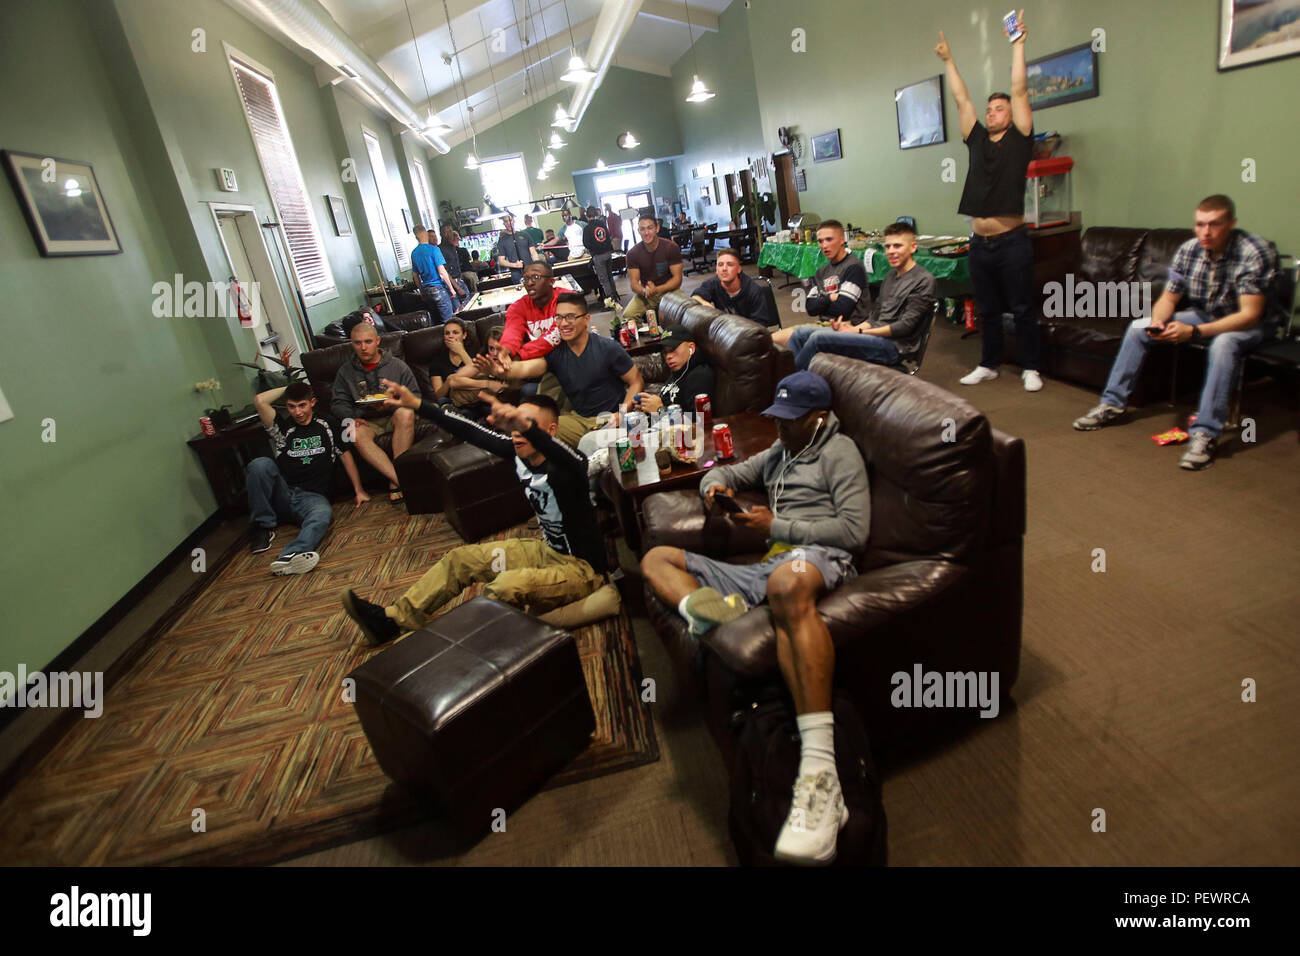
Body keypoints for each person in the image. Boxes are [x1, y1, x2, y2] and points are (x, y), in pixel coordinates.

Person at [640, 370, 870, 865]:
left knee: (786, 582)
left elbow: (854, 532)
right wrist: (713, 489)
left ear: (820, 418)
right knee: (656, 559)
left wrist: (777, 524)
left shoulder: (840, 453)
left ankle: (821, 771)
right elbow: (725, 471)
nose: (780, 429)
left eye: (790, 421)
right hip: (771, 566)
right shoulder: (782, 450)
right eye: (778, 419)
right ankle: (715, 618)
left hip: (819, 557)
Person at [341, 391, 610, 644]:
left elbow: (570, 458)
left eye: (526, 425)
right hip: (545, 552)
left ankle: (466, 647)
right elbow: (469, 430)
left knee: (504, 586)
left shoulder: (568, 465)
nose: (517, 432)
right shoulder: (517, 451)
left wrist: (528, 429)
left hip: (581, 569)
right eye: (514, 424)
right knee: (460, 560)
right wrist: (418, 404)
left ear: (551, 430)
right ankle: (392, 619)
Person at [1072, 194, 1278, 471]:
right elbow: (1168, 299)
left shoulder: (1254, 251)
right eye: (1200, 224)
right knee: (1138, 327)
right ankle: (1112, 404)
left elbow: (1249, 314)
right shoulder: (1189, 250)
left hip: (1250, 325)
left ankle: (1205, 432)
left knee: (1224, 344)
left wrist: (1194, 332)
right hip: (1206, 314)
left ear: (1231, 223)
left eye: (1214, 224)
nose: (1206, 232)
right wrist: (1158, 322)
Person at [936, 15, 1042, 392]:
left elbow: (1020, 90)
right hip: (979, 243)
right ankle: (989, 364)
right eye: (990, 108)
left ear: (1012, 115)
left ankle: (1031, 367)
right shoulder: (977, 139)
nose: (992, 112)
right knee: (988, 308)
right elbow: (960, 98)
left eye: (1000, 108)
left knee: (1023, 307)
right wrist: (948, 61)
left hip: (1013, 241)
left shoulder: (1020, 139)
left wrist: (1017, 44)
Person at [478, 291, 643, 451]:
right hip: (578, 420)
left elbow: (636, 381)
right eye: (559, 317)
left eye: (570, 317)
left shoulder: (607, 348)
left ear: (586, 319)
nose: (563, 323)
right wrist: (500, 371)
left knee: (588, 442)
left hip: (610, 418)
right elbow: (526, 368)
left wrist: (621, 414)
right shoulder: (555, 353)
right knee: (532, 431)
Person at [247, 379, 368, 575]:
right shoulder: (283, 429)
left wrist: (359, 489)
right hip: (284, 493)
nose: (297, 412)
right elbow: (260, 400)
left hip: (313, 497)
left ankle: (290, 557)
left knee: (322, 515)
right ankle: (262, 527)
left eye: (302, 405)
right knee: (259, 464)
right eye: (291, 407)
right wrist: (290, 387)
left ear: (312, 402)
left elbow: (345, 455)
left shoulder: (327, 424)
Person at [780, 222, 937, 370]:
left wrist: (859, 332)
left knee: (818, 339)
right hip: (872, 335)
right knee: (800, 333)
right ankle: (786, 377)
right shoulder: (890, 275)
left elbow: (904, 327)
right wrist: (852, 329)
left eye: (897, 246)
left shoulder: (923, 279)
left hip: (894, 346)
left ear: (913, 247)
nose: (891, 251)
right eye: (888, 246)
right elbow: (875, 316)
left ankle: (788, 382)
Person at [330, 318, 420, 502]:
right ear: (351, 344)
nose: (363, 347)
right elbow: (338, 403)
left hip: (395, 414)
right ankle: (400, 480)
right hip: (366, 420)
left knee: (405, 413)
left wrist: (394, 402)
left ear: (377, 341)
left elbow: (416, 397)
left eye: (368, 342)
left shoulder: (397, 366)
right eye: (357, 343)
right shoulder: (345, 372)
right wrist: (351, 416)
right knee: (351, 432)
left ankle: (396, 483)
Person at [771, 220, 872, 349]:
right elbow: (810, 307)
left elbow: (843, 310)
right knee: (773, 341)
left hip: (847, 326)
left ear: (842, 240)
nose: (824, 245)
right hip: (823, 324)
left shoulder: (853, 267)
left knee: (780, 339)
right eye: (820, 241)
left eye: (829, 239)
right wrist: (830, 298)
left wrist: (822, 303)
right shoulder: (821, 272)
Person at [631, 324, 715, 413]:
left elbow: (700, 420)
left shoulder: (699, 376)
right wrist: (647, 405)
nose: (668, 356)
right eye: (665, 352)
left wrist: (660, 410)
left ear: (691, 347)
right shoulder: (678, 371)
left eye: (672, 349)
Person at [624, 212, 684, 321]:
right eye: (642, 229)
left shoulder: (671, 247)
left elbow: (677, 279)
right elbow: (634, 283)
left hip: (670, 291)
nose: (646, 232)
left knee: (687, 311)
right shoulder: (632, 253)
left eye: (650, 228)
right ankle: (648, 335)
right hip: (646, 294)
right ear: (638, 231)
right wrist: (644, 291)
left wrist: (656, 289)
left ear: (657, 228)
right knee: (628, 316)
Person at [692, 247, 776, 325]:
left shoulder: (753, 290)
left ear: (739, 269)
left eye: (730, 264)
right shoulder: (712, 283)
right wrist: (707, 306)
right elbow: (695, 297)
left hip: (748, 334)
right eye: (720, 265)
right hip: (724, 333)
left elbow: (759, 325)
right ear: (717, 270)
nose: (724, 268)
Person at [411, 225, 457, 319]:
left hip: (427, 291)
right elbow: (442, 272)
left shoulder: (414, 253)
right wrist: (451, 289)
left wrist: (422, 292)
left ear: (416, 237)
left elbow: (416, 276)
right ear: (426, 234)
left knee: (436, 321)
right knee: (448, 321)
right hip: (438, 289)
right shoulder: (434, 249)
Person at [582, 204, 619, 307]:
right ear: (595, 214)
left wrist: (593, 249)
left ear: (586, 215)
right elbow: (608, 237)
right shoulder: (602, 224)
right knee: (610, 276)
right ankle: (615, 296)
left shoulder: (587, 228)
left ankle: (611, 302)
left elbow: (586, 243)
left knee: (604, 280)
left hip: (598, 256)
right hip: (608, 253)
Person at [495, 213, 541, 283]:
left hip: (531, 271)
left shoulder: (525, 235)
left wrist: (538, 265)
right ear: (503, 223)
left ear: (514, 220)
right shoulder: (502, 240)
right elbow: (501, 261)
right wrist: (514, 265)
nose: (508, 223)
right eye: (506, 221)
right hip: (516, 275)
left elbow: (533, 253)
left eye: (510, 220)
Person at [439, 225, 476, 296]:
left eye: (450, 231)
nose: (449, 234)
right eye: (446, 232)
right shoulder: (440, 250)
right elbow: (445, 272)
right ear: (441, 234)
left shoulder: (452, 247)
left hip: (460, 281)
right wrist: (457, 288)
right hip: (451, 285)